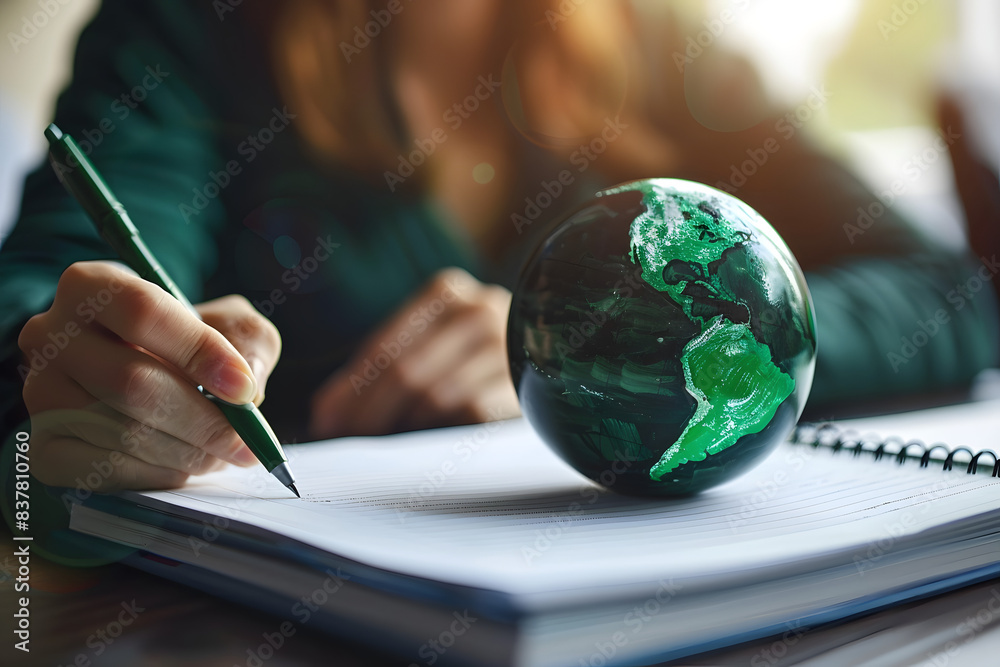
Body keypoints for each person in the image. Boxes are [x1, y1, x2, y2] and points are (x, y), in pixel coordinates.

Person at [0, 0, 996, 497]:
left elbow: (952, 293)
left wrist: (661, 346)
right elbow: (46, 296)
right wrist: (73, 360)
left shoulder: (660, 41)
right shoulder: (184, 30)